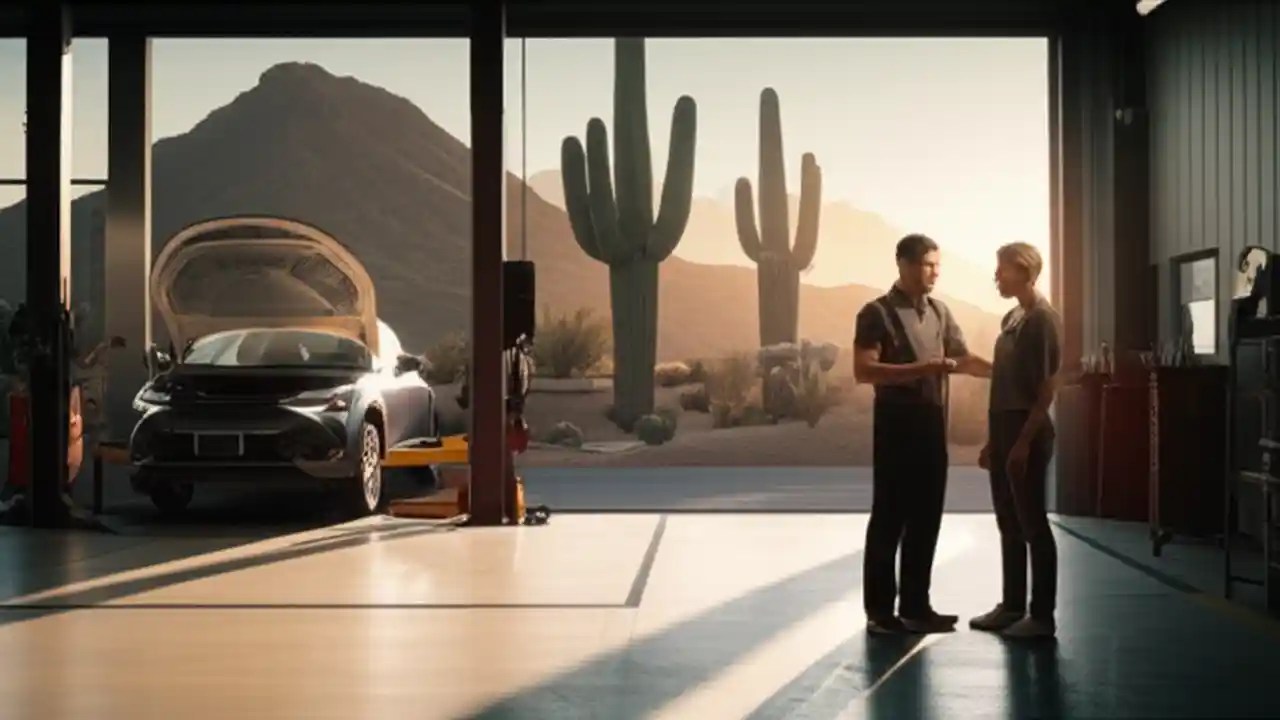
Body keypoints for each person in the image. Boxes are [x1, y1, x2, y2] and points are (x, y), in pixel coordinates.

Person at [853, 233, 992, 634]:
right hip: (895, 428)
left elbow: (963, 360)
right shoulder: (875, 313)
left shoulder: (940, 312)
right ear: (903, 264)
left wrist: (1006, 373)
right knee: (889, 519)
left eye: (936, 265)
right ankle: (880, 614)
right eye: (927, 265)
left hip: (932, 427)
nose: (934, 273)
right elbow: (864, 370)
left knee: (927, 518)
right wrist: (924, 369)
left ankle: (916, 608)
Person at [969, 242, 1062, 639]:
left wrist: (1023, 443)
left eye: (1003, 269)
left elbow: (1046, 389)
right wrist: (995, 440)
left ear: (1025, 271)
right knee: (1008, 520)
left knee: (1032, 523)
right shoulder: (1011, 318)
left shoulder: (1043, 320)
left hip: (1029, 430)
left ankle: (1041, 617)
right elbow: (1003, 384)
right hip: (1004, 428)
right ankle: (1011, 606)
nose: (996, 276)